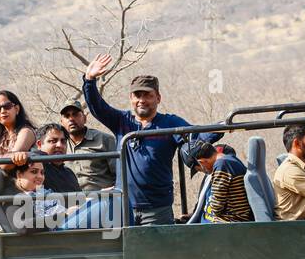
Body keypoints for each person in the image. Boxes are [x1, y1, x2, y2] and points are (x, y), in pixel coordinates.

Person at [82, 53, 221, 225]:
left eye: (147, 95)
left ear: (158, 98)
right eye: (137, 95)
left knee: (157, 243)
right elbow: (97, 107)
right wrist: (89, 80)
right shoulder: (121, 121)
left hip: (157, 209)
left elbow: (196, 137)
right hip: (124, 207)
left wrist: (221, 127)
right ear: (131, 98)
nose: (142, 100)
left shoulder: (169, 123)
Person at [59, 97, 117, 191]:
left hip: (103, 196)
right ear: (62, 122)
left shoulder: (105, 140)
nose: (71, 119)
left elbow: (120, 174)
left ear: (85, 118)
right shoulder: (59, 145)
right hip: (70, 198)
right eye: (67, 116)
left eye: (75, 114)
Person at [189, 140, 252, 223]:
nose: (204, 171)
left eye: (200, 168)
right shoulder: (229, 160)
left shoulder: (222, 165)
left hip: (228, 222)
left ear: (202, 162)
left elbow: (216, 207)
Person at [35, 124, 81, 195]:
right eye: (53, 141)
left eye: (63, 141)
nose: (60, 145)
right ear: (39, 144)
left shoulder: (69, 173)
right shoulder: (35, 166)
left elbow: (80, 199)